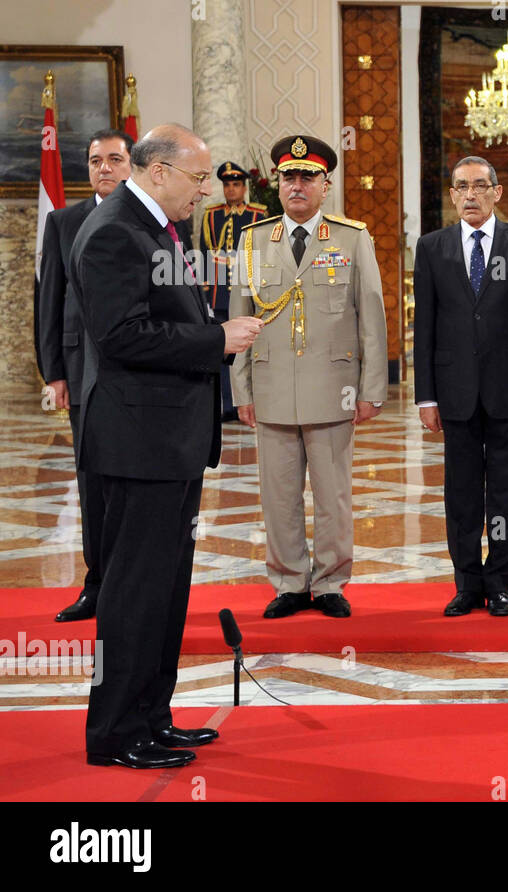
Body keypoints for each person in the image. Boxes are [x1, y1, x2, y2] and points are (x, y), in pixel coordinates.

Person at [73, 123, 262, 768]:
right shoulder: (114, 234)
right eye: (198, 177)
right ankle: (117, 735)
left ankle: (153, 718)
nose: (206, 190)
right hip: (137, 441)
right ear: (158, 171)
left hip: (167, 440)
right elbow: (123, 336)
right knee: (132, 592)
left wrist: (210, 327)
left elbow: (165, 315)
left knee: (165, 589)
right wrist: (217, 342)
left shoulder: (155, 227)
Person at [231, 134, 387, 620]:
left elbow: (372, 318)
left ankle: (331, 581)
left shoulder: (351, 237)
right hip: (273, 385)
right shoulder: (253, 241)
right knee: (277, 494)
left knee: (333, 495)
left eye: (307, 177)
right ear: (277, 184)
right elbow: (238, 320)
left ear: (326, 185)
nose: (296, 186)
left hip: (332, 387)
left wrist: (372, 390)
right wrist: (241, 389)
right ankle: (289, 582)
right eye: (288, 177)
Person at [413, 156, 508, 617]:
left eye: (478, 186)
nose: (469, 195)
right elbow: (425, 328)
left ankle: (500, 584)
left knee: (507, 493)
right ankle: (467, 582)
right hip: (454, 393)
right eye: (460, 187)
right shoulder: (432, 248)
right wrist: (425, 396)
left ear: (497, 191)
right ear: (451, 195)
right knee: (461, 493)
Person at [35, 128, 133, 623]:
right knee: (92, 479)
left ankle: (132, 584)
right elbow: (48, 301)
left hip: (138, 375)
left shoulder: (152, 221)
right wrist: (54, 373)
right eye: (96, 161)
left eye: (115, 159)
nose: (105, 169)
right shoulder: (63, 222)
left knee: (134, 480)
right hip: (83, 373)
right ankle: (96, 585)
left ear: (132, 165)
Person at [200, 161, 267, 422]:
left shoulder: (257, 215)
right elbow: (206, 251)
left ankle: (245, 401)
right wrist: (205, 290)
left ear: (244, 188)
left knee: (246, 348)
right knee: (220, 347)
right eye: (227, 185)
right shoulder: (211, 214)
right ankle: (225, 404)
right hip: (218, 291)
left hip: (247, 289)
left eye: (236, 185)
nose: (230, 190)